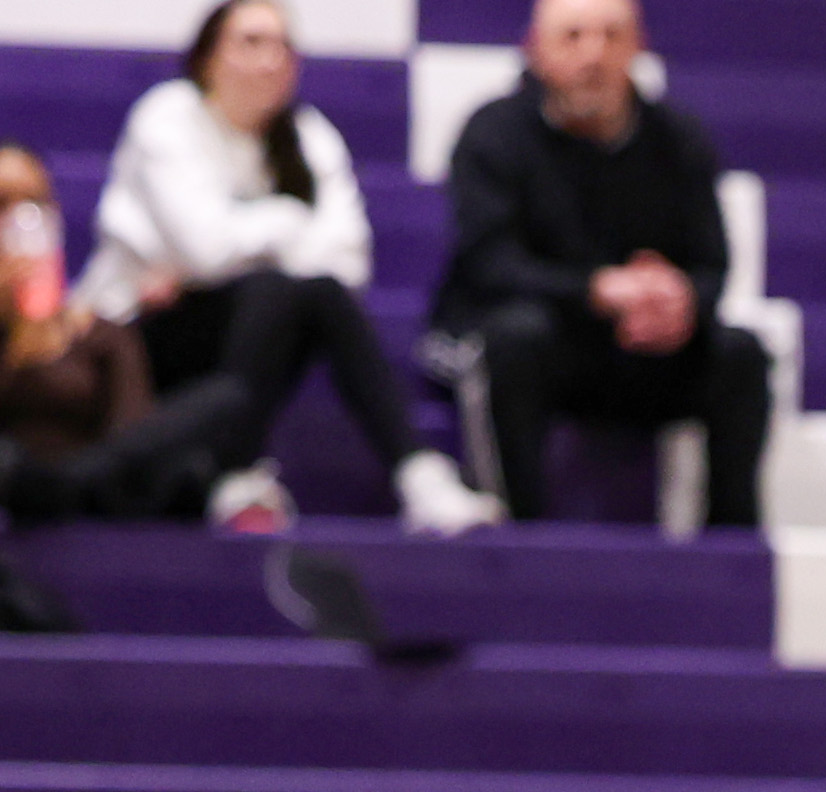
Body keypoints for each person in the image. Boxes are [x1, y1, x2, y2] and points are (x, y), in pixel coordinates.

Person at [73, 0, 501, 535]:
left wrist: (237, 247)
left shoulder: (309, 134)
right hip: (138, 339)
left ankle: (418, 474)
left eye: (283, 46)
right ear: (208, 58)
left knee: (315, 295)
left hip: (241, 335)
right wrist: (289, 221)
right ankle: (235, 470)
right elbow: (207, 248)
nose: (271, 59)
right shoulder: (167, 117)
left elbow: (347, 265)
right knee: (278, 289)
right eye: (251, 42)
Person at [428, 0, 771, 527]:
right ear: (534, 50)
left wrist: (679, 302)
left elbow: (711, 265)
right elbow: (488, 264)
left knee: (742, 354)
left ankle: (729, 546)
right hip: (548, 342)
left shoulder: (679, 138)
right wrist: (597, 290)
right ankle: (522, 536)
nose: (594, 54)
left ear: (638, 46)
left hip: (643, 350)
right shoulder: (493, 132)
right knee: (515, 340)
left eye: (612, 36)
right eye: (573, 36)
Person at [0, 146, 254, 523]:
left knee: (222, 398)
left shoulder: (95, 330)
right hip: (12, 478)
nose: (20, 219)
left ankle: (65, 483)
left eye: (34, 202)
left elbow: (131, 431)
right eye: (3, 204)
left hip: (92, 484)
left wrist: (55, 326)